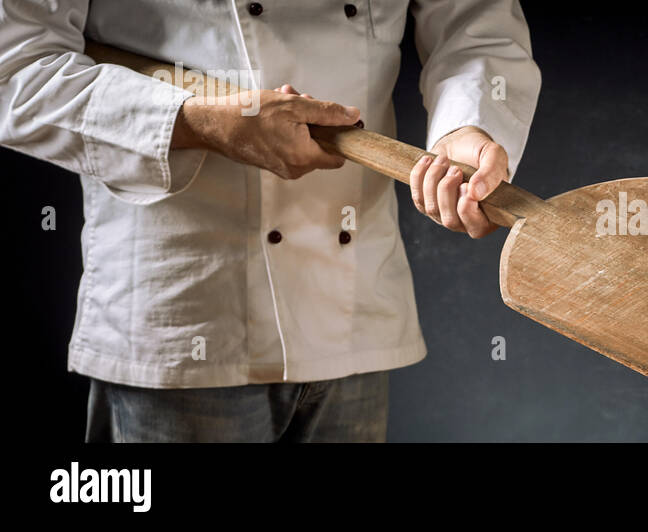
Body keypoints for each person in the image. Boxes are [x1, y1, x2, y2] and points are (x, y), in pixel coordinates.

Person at [0, 0, 541, 441]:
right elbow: (15, 67)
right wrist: (194, 123)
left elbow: (476, 23)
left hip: (352, 307)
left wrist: (467, 128)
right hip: (184, 315)